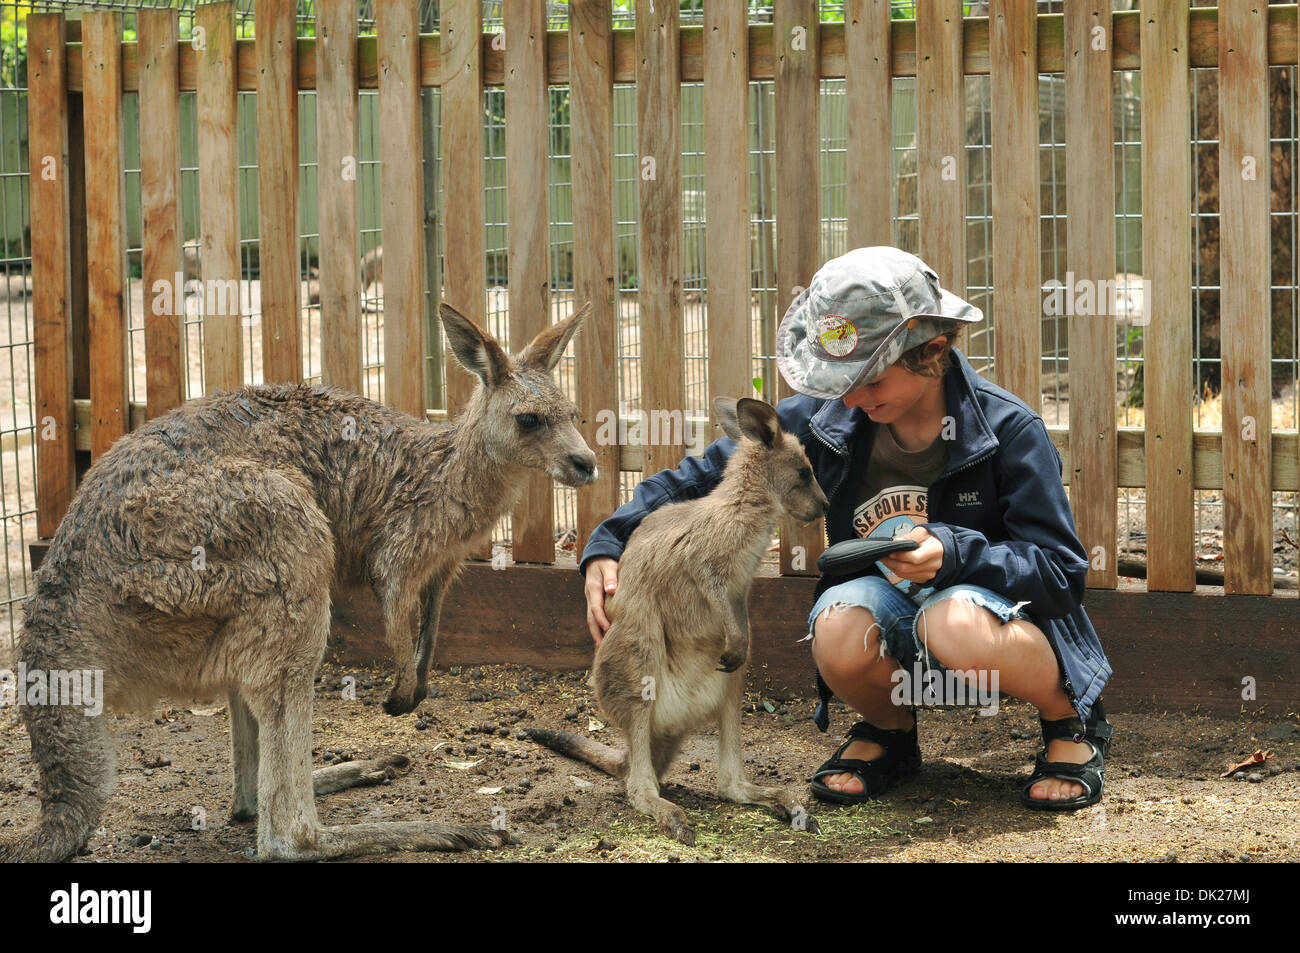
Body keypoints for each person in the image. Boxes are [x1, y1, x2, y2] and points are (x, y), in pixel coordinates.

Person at [578, 246, 1113, 811]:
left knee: (951, 620)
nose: (852, 397)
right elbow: (694, 479)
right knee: (835, 626)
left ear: (932, 351)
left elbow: (1061, 572)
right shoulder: (827, 417)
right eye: (839, 381)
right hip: (891, 607)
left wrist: (953, 553)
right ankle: (889, 730)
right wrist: (608, 542)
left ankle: (1068, 720)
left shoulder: (1006, 428)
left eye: (870, 380)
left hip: (989, 619)